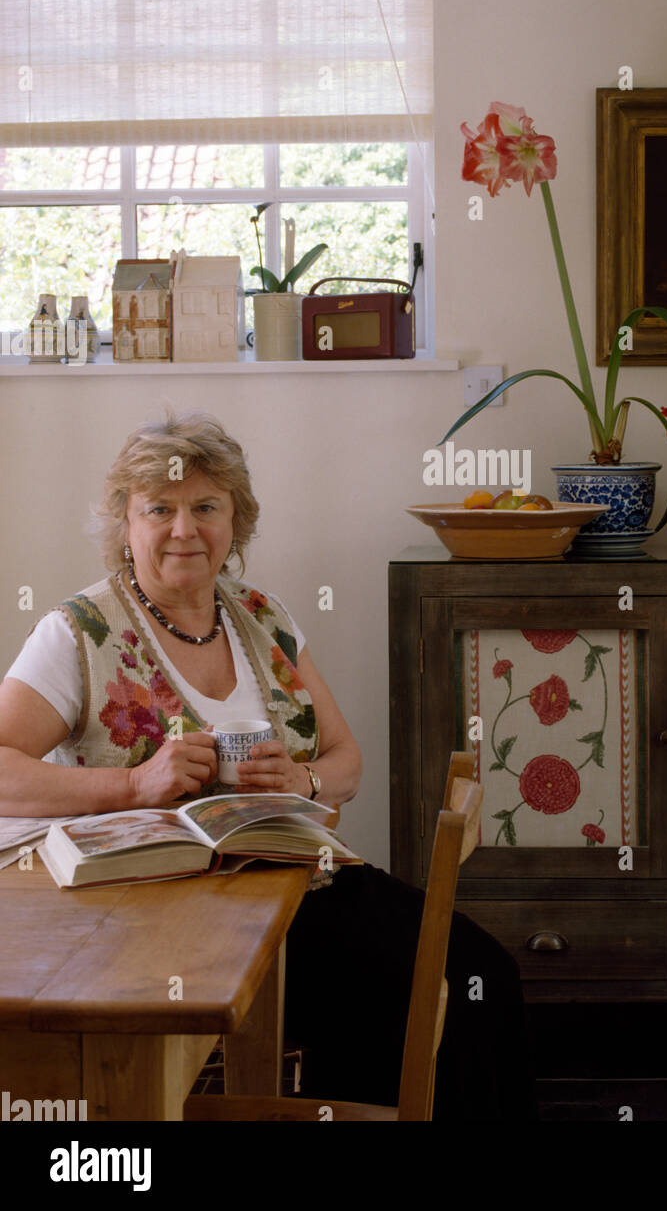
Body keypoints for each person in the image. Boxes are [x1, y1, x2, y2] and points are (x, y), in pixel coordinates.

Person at [0, 410, 537, 1121]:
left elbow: (347, 762)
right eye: (159, 508)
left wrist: (302, 780)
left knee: (480, 973)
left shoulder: (264, 616)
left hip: (290, 889)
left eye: (206, 507)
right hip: (156, 922)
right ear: (123, 523)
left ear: (235, 522)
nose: (183, 529)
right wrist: (134, 783)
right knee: (394, 990)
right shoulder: (76, 631)